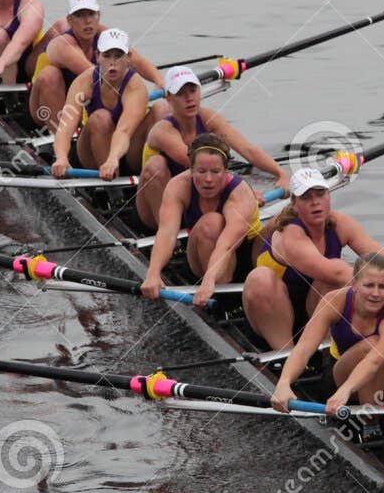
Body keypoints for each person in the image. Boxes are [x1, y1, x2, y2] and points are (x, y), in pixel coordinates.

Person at [242, 167, 384, 348]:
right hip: (272, 319)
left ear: (329, 195)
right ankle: (284, 355)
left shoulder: (339, 223)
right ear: (294, 204)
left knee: (339, 278)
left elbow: (380, 258)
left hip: (312, 314)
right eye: (306, 197)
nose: (315, 202)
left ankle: (325, 353)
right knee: (262, 278)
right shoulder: (291, 234)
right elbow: (336, 271)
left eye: (320, 194)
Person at [269, 253, 384, 416]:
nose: (376, 293)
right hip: (339, 376)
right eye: (369, 285)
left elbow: (375, 362)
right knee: (370, 345)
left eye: (382, 287)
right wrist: (284, 383)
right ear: (354, 284)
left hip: (382, 375)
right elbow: (304, 348)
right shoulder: (334, 300)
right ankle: (370, 426)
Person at [134, 66, 291, 229]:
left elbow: (247, 149)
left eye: (193, 90)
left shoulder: (209, 118)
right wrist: (245, 191)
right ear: (168, 98)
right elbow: (198, 164)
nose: (189, 98)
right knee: (156, 165)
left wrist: (281, 173)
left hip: (194, 194)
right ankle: (168, 234)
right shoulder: (162, 131)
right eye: (181, 93)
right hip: (155, 208)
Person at [141, 136, 262, 308]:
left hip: (241, 253)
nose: (208, 179)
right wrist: (153, 273)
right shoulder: (178, 186)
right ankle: (222, 303)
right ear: (191, 169)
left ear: (226, 171)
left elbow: (226, 245)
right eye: (201, 171)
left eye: (215, 171)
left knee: (282, 227)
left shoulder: (239, 194)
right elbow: (167, 232)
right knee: (211, 223)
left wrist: (209, 279)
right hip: (202, 256)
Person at [28, 0, 162, 127]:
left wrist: (159, 82)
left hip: (78, 102)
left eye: (91, 14)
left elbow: (136, 60)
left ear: (98, 16)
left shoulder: (105, 35)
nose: (87, 21)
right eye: (80, 16)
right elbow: (96, 76)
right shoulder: (63, 44)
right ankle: (58, 136)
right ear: (70, 20)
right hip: (43, 108)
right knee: (50, 75)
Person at [50, 29, 161, 180]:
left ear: (128, 58)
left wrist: (113, 158)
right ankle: (112, 192)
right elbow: (65, 127)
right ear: (97, 57)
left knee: (161, 110)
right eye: (107, 56)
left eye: (118, 56)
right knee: (100, 117)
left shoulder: (135, 87)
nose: (112, 62)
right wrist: (61, 158)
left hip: (125, 151)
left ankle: (153, 178)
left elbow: (124, 131)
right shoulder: (85, 81)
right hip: (90, 153)